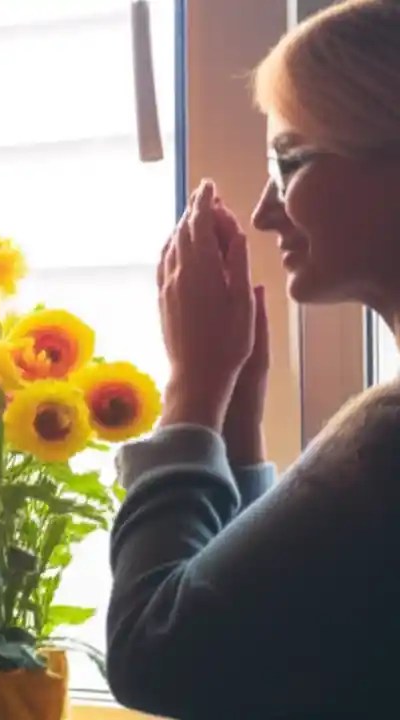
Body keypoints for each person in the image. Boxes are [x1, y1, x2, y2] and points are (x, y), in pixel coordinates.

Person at [106, 0, 400, 717]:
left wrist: (193, 395)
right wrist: (237, 433)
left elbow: (159, 656)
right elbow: (279, 636)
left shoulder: (388, 445)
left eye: (290, 159)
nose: (266, 210)